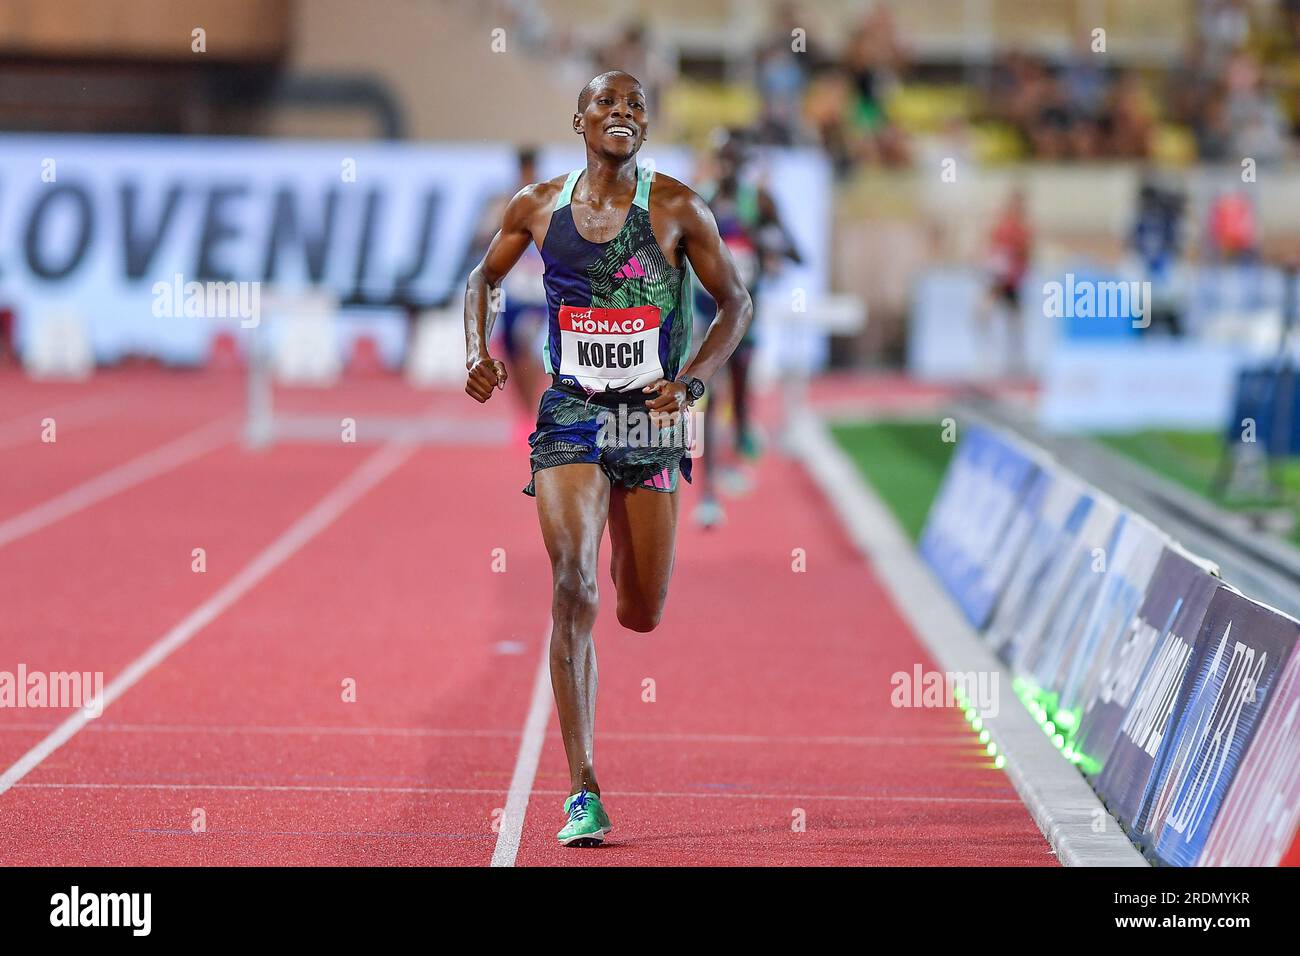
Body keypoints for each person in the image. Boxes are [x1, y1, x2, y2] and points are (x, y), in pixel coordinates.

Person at [463, 71, 752, 847]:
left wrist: (693, 381)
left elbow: (736, 302)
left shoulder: (679, 208)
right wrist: (476, 351)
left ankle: (623, 554)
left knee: (639, 610)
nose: (621, 113)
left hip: (650, 420)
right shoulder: (537, 206)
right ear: (580, 121)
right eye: (606, 103)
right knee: (573, 584)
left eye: (635, 106)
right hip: (572, 414)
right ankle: (582, 787)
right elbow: (483, 279)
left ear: (645, 129)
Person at [691, 130, 802, 528]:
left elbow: (796, 253)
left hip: (744, 317)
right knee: (710, 394)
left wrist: (764, 244)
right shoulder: (699, 200)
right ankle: (707, 493)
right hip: (707, 314)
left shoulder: (758, 202)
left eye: (734, 161)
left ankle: (737, 447)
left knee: (738, 395)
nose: (727, 168)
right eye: (722, 160)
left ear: (743, 165)